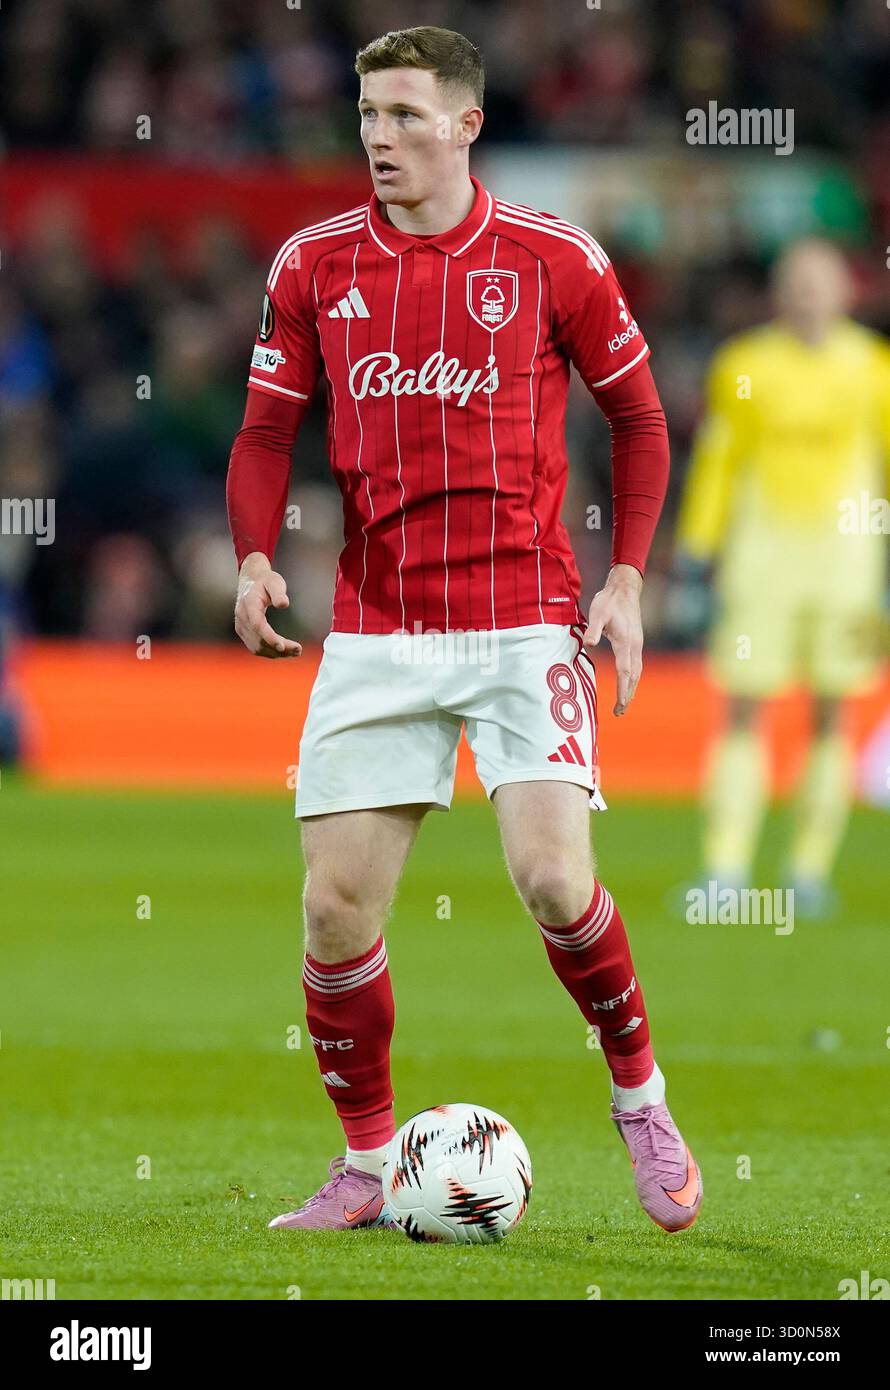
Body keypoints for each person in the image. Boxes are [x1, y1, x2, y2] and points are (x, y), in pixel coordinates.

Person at [227, 26, 701, 1234]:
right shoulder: (313, 264)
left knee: (552, 878)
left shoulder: (553, 259)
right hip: (376, 627)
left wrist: (629, 577)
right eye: (366, 114)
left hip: (522, 619)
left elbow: (640, 423)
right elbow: (267, 430)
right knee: (335, 911)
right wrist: (249, 555)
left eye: (402, 114)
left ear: (465, 122)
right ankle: (367, 1167)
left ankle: (639, 1099)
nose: (378, 137)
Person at [674, 239, 890, 915]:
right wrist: (695, 546)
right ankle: (727, 867)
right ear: (779, 293)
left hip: (848, 561)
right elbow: (719, 459)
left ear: (844, 292)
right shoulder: (746, 365)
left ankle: (807, 869)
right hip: (762, 559)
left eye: (819, 283)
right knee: (741, 709)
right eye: (795, 284)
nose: (807, 295)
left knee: (834, 713)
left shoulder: (874, 368)